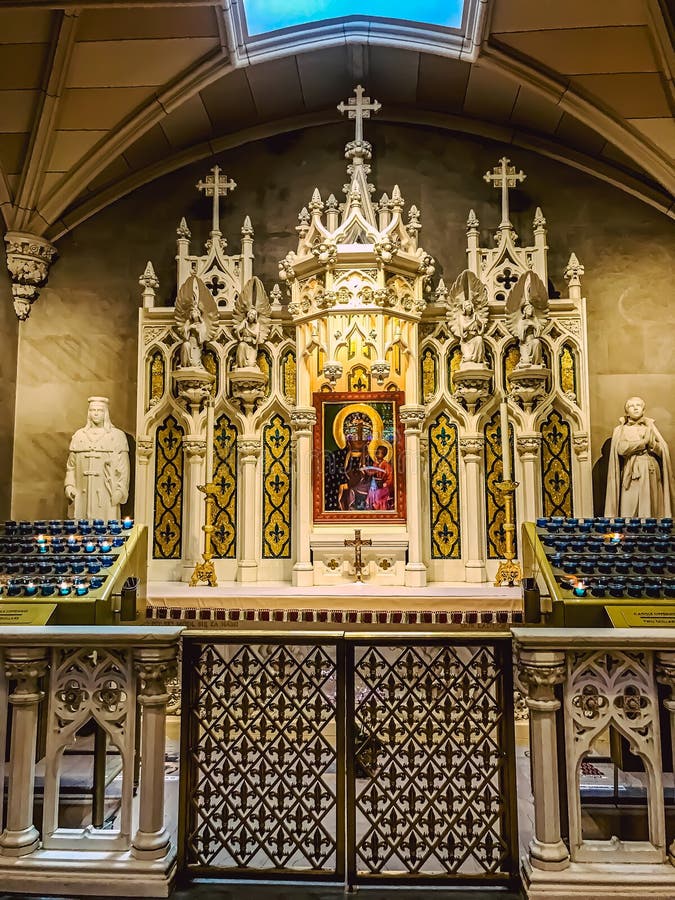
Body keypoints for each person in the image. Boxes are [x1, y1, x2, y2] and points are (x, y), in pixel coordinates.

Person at [605, 396, 674, 517]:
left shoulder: (651, 428)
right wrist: (642, 443)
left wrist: (653, 445)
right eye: (631, 406)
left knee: (651, 506)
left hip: (650, 468)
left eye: (638, 405)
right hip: (631, 471)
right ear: (627, 412)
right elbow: (621, 449)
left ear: (643, 410)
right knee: (629, 506)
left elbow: (663, 450)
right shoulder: (621, 430)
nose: (635, 408)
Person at [65, 397, 130, 520]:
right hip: (82, 495)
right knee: (81, 525)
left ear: (105, 413)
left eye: (99, 410)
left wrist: (120, 491)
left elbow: (124, 468)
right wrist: (69, 486)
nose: (95, 413)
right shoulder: (79, 436)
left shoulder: (117, 436)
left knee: (105, 524)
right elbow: (71, 467)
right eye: (92, 410)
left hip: (106, 495)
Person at [179, 281, 207, 368]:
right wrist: (190, 327)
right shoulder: (188, 322)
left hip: (196, 345)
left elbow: (202, 338)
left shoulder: (202, 324)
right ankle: (185, 362)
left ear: (199, 314)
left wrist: (197, 331)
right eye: (193, 311)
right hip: (189, 342)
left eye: (196, 311)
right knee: (186, 345)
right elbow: (184, 333)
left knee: (195, 364)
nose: (194, 313)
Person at [366, 444, 394, 510]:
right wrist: (367, 471)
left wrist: (385, 484)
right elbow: (372, 472)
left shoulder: (386, 465)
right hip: (375, 485)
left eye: (379, 453)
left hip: (384, 487)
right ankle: (371, 508)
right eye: (376, 452)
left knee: (377, 494)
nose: (377, 454)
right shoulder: (375, 464)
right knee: (370, 492)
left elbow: (390, 478)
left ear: (383, 454)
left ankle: (378, 509)